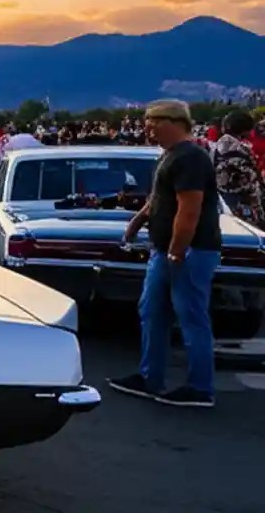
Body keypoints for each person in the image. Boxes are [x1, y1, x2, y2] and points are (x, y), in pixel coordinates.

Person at [108, 100, 222, 408]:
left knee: (191, 316)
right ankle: (150, 376)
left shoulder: (191, 158)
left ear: (174, 122)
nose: (148, 130)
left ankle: (200, 388)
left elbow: (189, 210)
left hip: (190, 251)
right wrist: (138, 220)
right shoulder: (169, 156)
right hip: (164, 250)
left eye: (153, 124)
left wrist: (177, 250)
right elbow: (160, 198)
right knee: (152, 311)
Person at [213, 110, 264, 224]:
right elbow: (253, 181)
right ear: (245, 129)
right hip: (243, 204)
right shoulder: (241, 149)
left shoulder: (217, 146)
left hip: (223, 201)